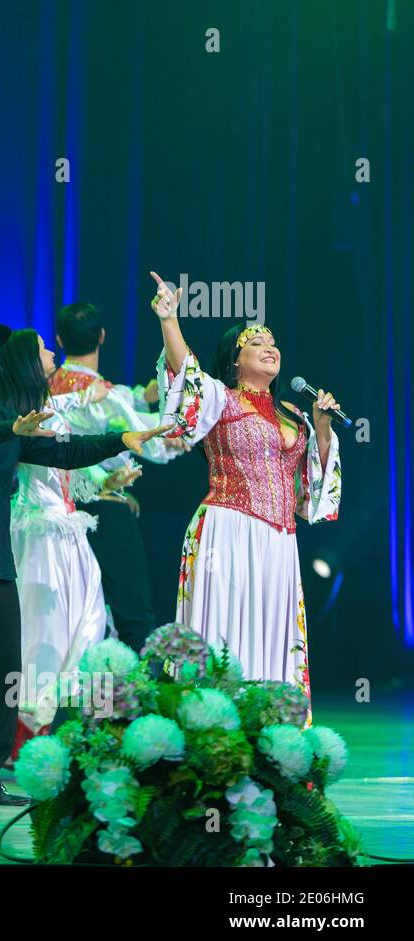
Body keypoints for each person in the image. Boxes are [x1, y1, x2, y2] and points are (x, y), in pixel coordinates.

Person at [0, 304, 168, 806]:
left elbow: (63, 453)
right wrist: (11, 431)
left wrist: (122, 438)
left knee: (5, 669)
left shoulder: (8, 419)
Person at [148, 272, 342, 718]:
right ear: (236, 361)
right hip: (226, 528)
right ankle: (210, 728)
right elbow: (186, 373)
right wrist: (170, 319)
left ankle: (272, 729)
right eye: (256, 343)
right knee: (224, 629)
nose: (269, 347)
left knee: (273, 631)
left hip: (279, 540)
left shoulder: (294, 412)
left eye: (272, 341)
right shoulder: (220, 397)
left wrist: (323, 424)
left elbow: (311, 483)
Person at [0, 329, 143, 748]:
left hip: (70, 533)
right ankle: (29, 720)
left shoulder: (49, 410)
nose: (51, 351)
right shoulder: (21, 418)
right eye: (42, 348)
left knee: (90, 620)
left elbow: (70, 466)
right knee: (45, 628)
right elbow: (54, 457)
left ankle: (68, 717)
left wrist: (110, 478)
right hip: (39, 535)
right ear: (25, 360)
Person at [49, 302, 186, 650]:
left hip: (54, 515)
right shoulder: (105, 397)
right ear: (102, 336)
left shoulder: (47, 388)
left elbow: (133, 399)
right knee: (132, 610)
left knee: (68, 612)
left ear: (59, 341)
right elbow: (146, 432)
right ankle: (132, 697)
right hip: (104, 509)